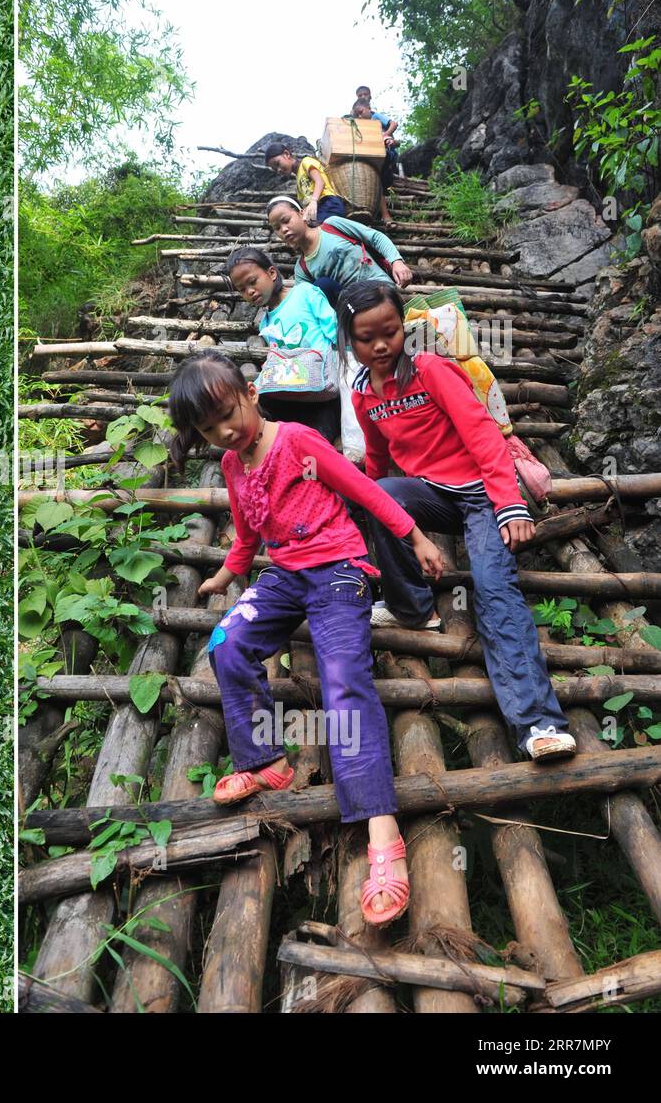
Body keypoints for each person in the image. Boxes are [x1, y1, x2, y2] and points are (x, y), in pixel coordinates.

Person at [168, 349, 435, 926]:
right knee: (225, 644)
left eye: (228, 413)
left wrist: (415, 537)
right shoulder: (234, 466)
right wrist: (222, 576)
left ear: (250, 393)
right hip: (285, 575)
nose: (224, 431)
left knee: (343, 681)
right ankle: (265, 761)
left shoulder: (299, 442)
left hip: (340, 570)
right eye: (209, 428)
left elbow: (367, 492)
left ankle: (381, 832)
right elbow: (245, 537)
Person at [338, 280, 578, 762]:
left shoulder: (432, 370)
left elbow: (482, 435)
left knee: (494, 590)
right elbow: (379, 463)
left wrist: (508, 503)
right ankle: (412, 609)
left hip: (483, 495)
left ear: (403, 328)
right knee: (378, 494)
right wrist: (361, 518)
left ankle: (538, 723)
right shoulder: (365, 394)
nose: (381, 345)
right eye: (367, 338)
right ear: (350, 340)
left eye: (390, 331)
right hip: (434, 496)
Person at [224, 246, 341, 447]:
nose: (250, 291)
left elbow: (333, 328)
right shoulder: (266, 323)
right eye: (242, 289)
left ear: (271, 273)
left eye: (252, 282)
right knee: (261, 403)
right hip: (295, 393)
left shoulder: (305, 293)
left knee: (318, 440)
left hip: (323, 387)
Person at [266, 196, 412, 310]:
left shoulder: (332, 225)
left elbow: (374, 237)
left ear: (302, 213)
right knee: (322, 286)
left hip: (382, 291)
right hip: (356, 309)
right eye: (277, 228)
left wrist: (396, 261)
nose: (283, 229)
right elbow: (310, 304)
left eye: (286, 220)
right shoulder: (302, 269)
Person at [263, 143, 347, 224]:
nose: (279, 170)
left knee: (321, 232)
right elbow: (306, 204)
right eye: (275, 169)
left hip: (328, 203)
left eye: (277, 164)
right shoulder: (298, 182)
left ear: (286, 154)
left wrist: (313, 201)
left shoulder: (306, 162)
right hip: (317, 211)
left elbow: (320, 181)